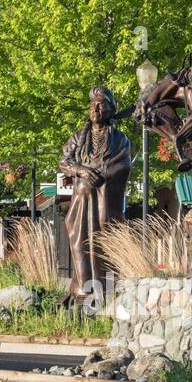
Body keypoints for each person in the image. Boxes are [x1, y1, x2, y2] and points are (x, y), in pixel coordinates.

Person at [59, 86, 132, 291]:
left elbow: (123, 165)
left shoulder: (119, 139)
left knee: (103, 241)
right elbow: (65, 161)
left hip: (104, 201)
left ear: (110, 110)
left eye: (101, 105)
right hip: (81, 203)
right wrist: (80, 170)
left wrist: (99, 175)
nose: (96, 109)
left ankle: (104, 287)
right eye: (93, 106)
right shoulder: (78, 137)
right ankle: (83, 287)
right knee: (79, 241)